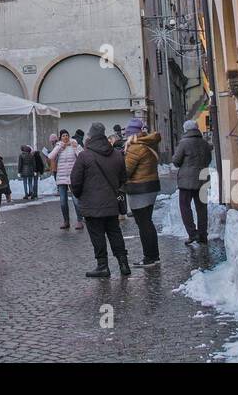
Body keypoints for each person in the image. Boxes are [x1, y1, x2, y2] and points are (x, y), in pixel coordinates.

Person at [70, 122, 130, 277]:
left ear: (90, 136)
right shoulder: (117, 154)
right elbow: (123, 177)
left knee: (97, 235)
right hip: (111, 203)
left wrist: (79, 195)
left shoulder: (84, 155)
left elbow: (75, 181)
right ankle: (123, 263)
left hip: (92, 205)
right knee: (115, 232)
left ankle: (102, 265)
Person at [124, 119, 163, 267]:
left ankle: (150, 257)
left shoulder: (135, 148)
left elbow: (126, 171)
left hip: (140, 189)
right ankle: (154, 256)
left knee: (144, 224)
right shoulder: (148, 143)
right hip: (150, 187)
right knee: (147, 222)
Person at [171, 120, 213, 245]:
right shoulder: (205, 144)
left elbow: (176, 161)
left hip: (186, 181)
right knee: (202, 208)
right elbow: (208, 159)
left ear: (186, 130)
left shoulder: (184, 143)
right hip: (202, 179)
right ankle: (203, 235)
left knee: (185, 207)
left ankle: (192, 233)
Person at [48, 130, 84, 230]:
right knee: (63, 202)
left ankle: (79, 221)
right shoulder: (58, 146)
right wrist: (59, 147)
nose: (65, 137)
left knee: (76, 201)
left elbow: (82, 156)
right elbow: (50, 156)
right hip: (61, 177)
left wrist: (75, 147)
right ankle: (66, 221)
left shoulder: (74, 144)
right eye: (63, 136)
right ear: (60, 137)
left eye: (67, 135)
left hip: (73, 177)